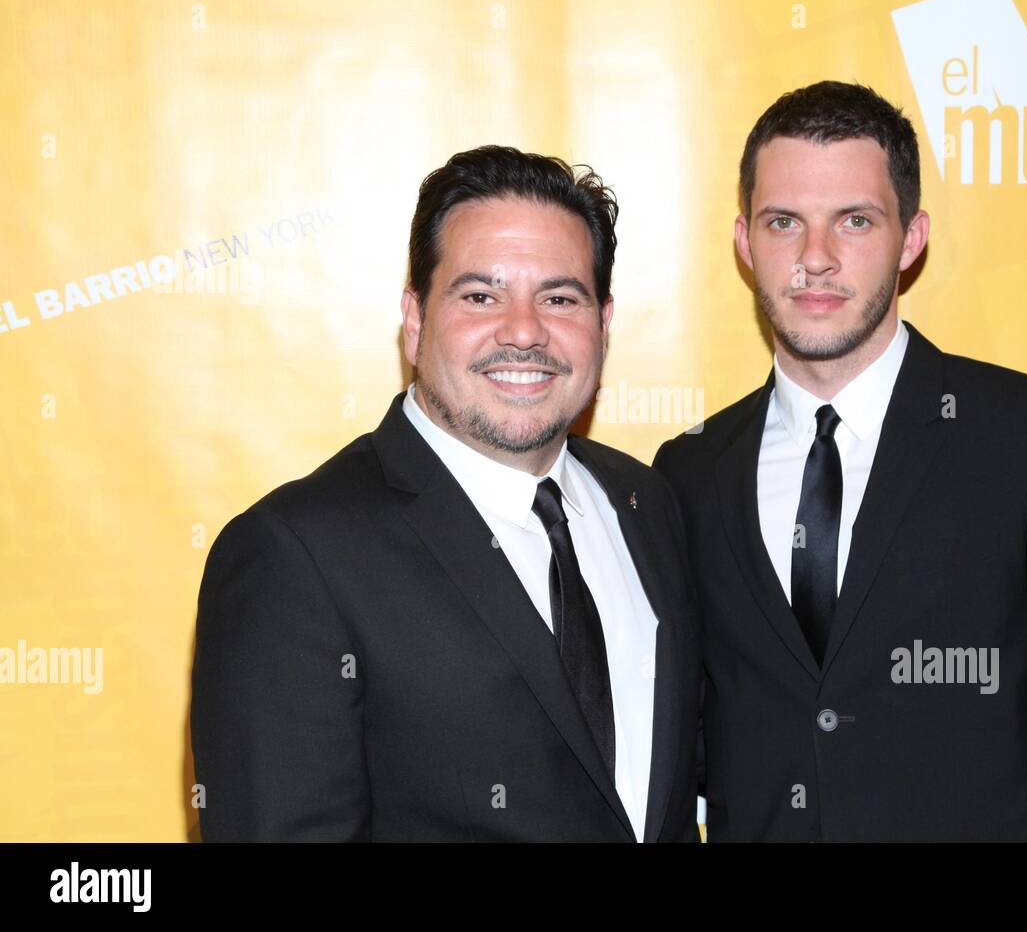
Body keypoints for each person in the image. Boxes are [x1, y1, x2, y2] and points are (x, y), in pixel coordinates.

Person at [654, 81, 1027, 841]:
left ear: (911, 239)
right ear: (745, 242)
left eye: (855, 221)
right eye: (784, 222)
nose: (816, 258)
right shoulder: (688, 472)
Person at [192, 145, 700, 842]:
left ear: (603, 324)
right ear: (414, 317)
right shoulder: (295, 556)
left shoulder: (646, 505)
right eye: (480, 295)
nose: (524, 331)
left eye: (559, 297)